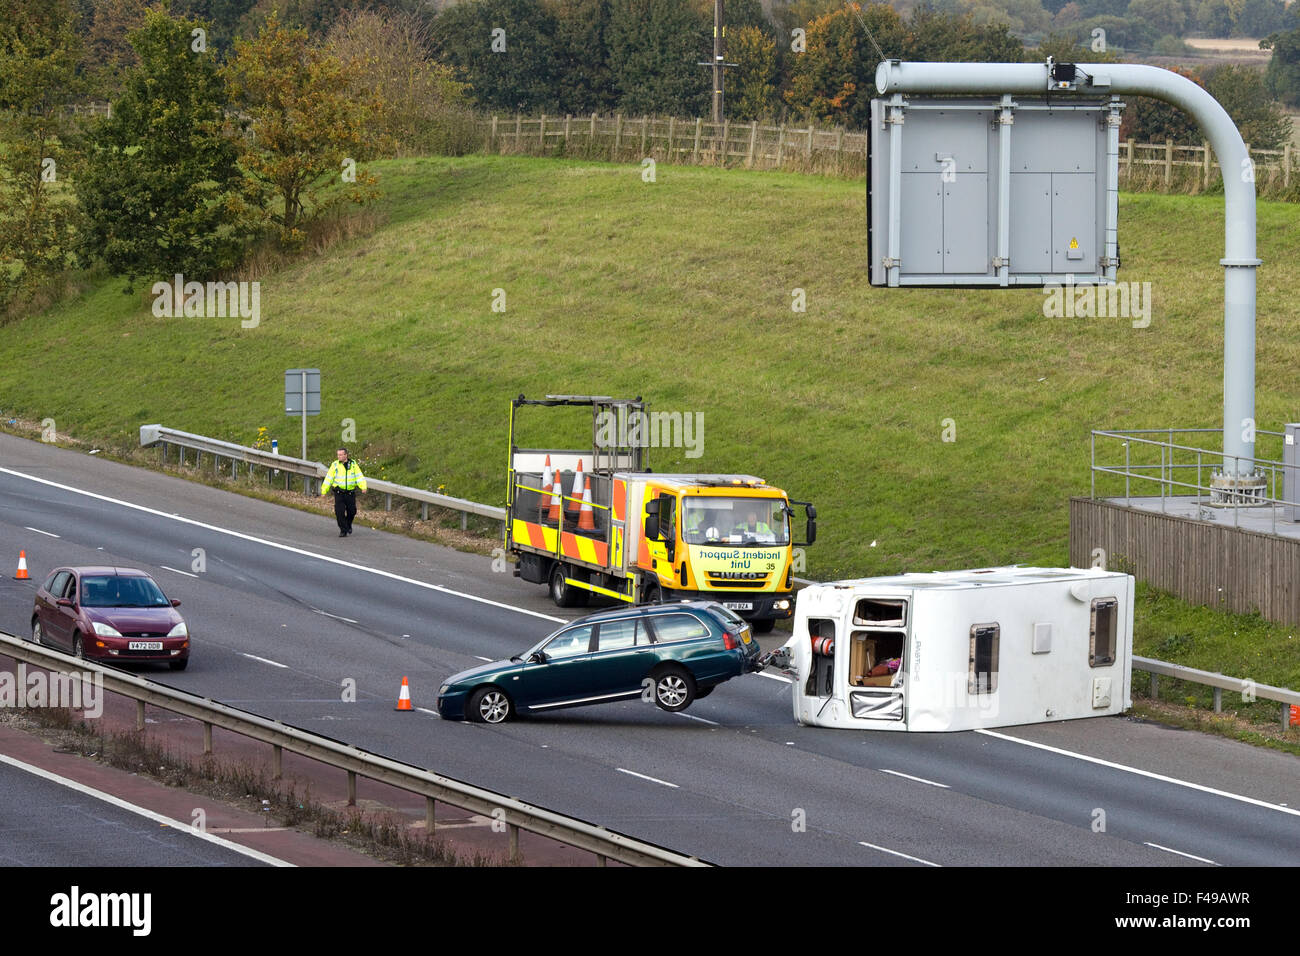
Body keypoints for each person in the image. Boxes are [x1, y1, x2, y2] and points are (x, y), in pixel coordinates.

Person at [321, 448, 368, 536]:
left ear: (346, 455)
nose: (339, 456)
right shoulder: (335, 465)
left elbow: (359, 476)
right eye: (338, 455)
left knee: (352, 511)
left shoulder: (353, 464)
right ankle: (343, 530)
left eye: (341, 455)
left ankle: (348, 524)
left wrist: (363, 486)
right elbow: (329, 478)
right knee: (339, 512)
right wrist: (324, 490)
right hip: (339, 493)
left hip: (350, 493)